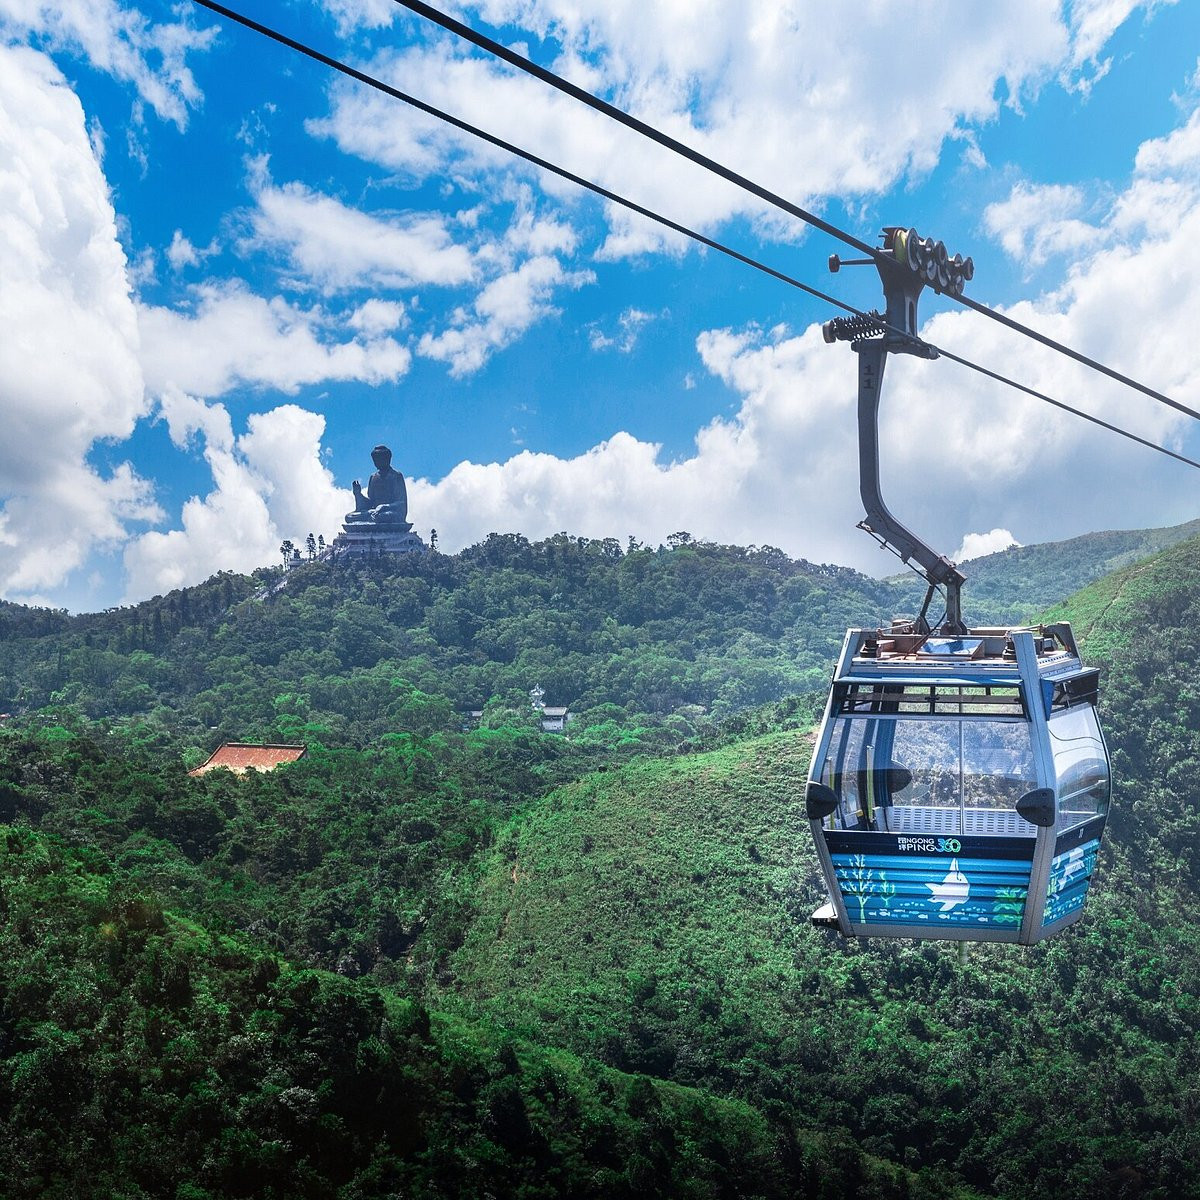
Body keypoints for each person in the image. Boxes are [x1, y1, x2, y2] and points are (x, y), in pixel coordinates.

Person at [346, 445, 409, 527]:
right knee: (349, 517)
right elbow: (370, 503)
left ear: (387, 459)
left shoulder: (396, 476)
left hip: (391, 513)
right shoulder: (373, 477)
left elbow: (401, 503)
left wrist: (385, 506)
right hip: (374, 512)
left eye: (379, 459)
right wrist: (358, 494)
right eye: (375, 460)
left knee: (382, 517)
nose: (376, 463)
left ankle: (372, 522)